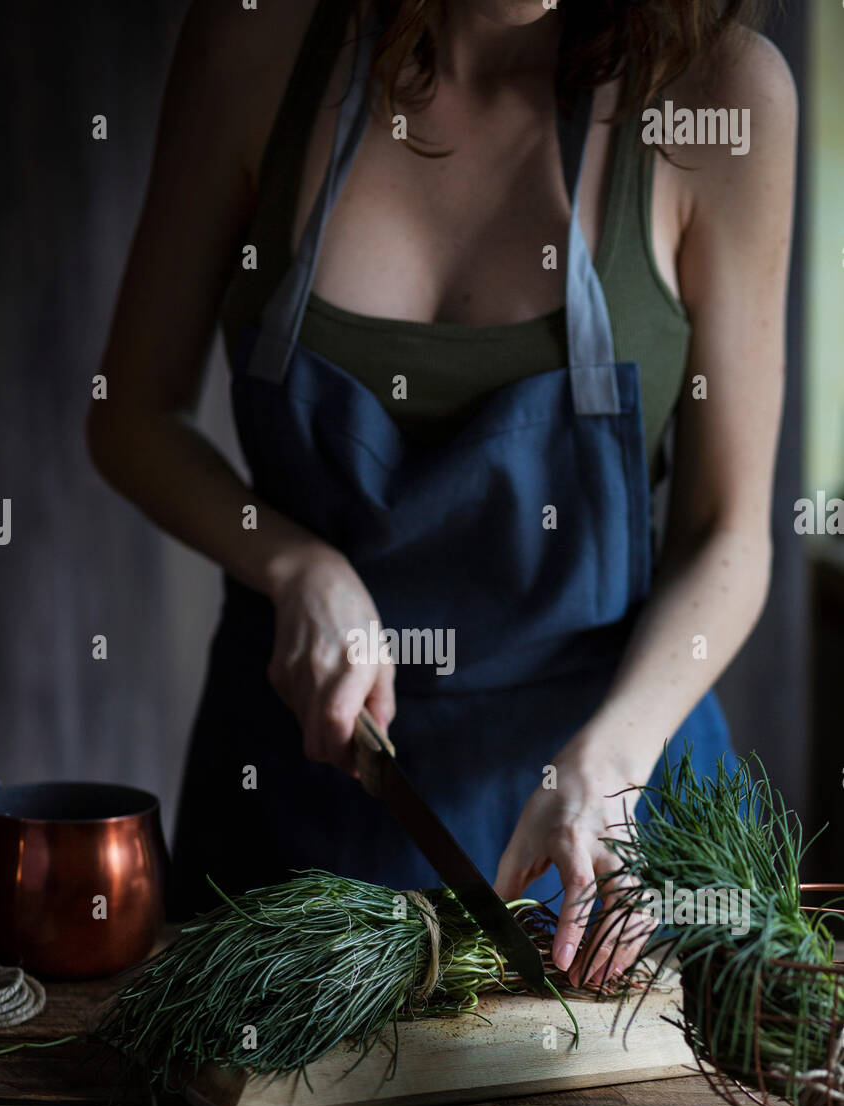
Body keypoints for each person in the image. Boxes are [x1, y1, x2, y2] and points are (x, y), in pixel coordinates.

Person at [87, 0, 796, 986]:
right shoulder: (256, 45)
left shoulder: (721, 96)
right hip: (296, 823)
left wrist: (614, 757)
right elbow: (128, 417)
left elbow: (729, 532)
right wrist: (294, 563)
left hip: (609, 845)